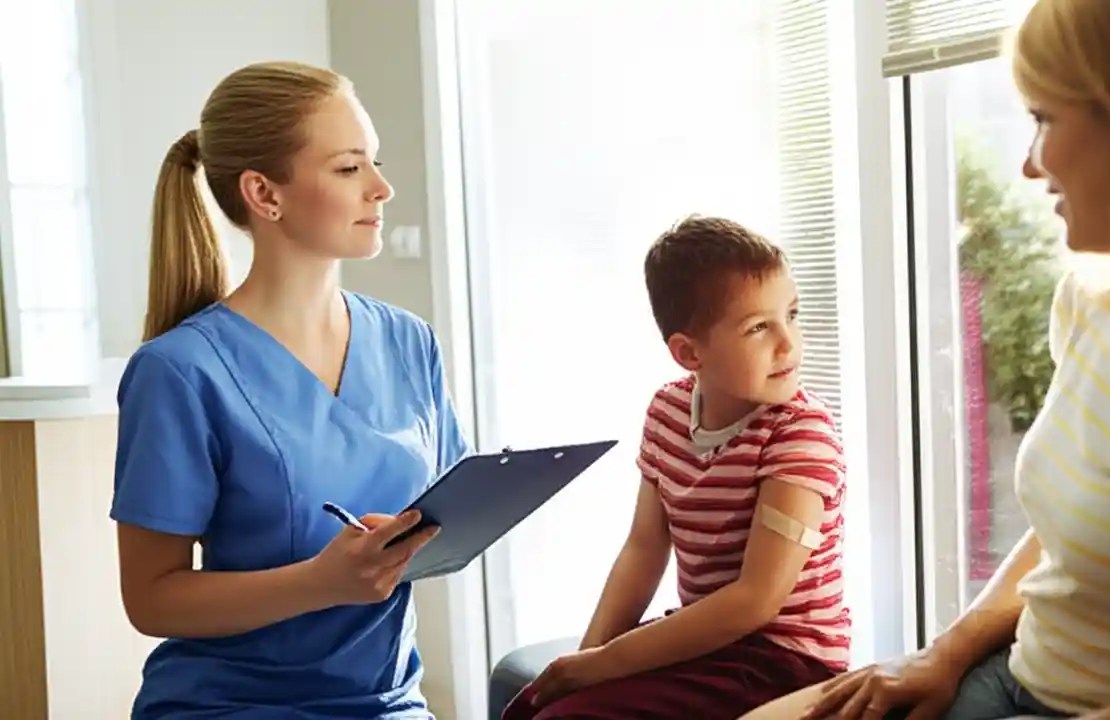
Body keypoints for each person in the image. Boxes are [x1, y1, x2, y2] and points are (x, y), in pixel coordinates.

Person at [743, 1, 1110, 719]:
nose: (1030, 164)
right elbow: (1064, 535)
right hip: (1013, 674)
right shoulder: (1091, 306)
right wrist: (944, 654)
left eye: (1046, 120)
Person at [110, 61, 469, 719]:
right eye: (348, 168)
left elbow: (446, 515)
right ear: (263, 193)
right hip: (232, 707)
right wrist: (321, 582)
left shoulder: (409, 342)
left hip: (389, 703)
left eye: (375, 164)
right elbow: (151, 599)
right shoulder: (180, 371)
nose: (382, 189)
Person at [501, 216, 851, 720]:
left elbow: (756, 600)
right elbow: (645, 548)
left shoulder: (800, 433)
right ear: (689, 353)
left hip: (786, 661)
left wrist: (604, 665)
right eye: (758, 327)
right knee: (530, 709)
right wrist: (582, 661)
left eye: (792, 315)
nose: (788, 343)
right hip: (712, 647)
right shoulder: (667, 413)